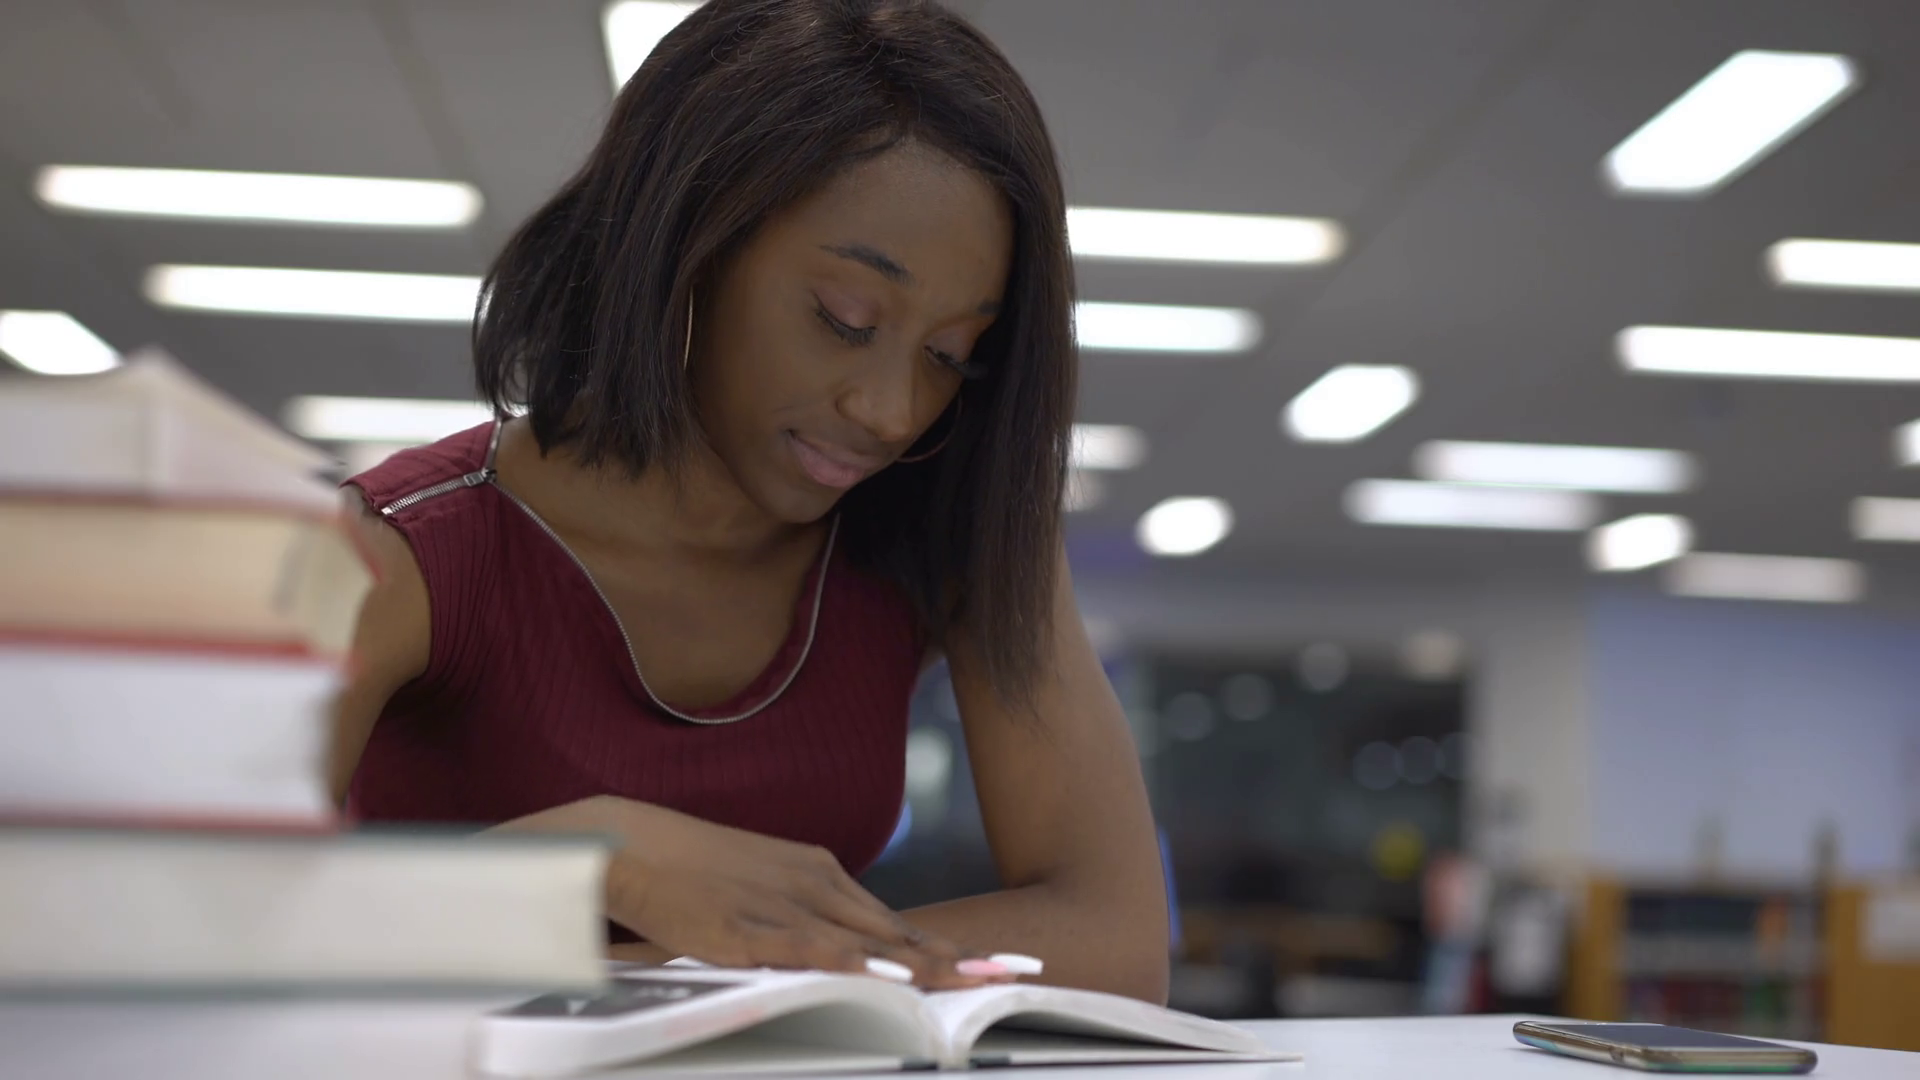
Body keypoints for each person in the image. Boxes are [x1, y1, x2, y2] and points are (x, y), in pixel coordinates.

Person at [328, 0, 1168, 1003]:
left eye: (951, 355)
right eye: (843, 318)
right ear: (688, 242)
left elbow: (1114, 935)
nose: (892, 411)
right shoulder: (394, 552)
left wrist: (673, 977)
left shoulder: (941, 531)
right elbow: (181, 920)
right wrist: (593, 863)